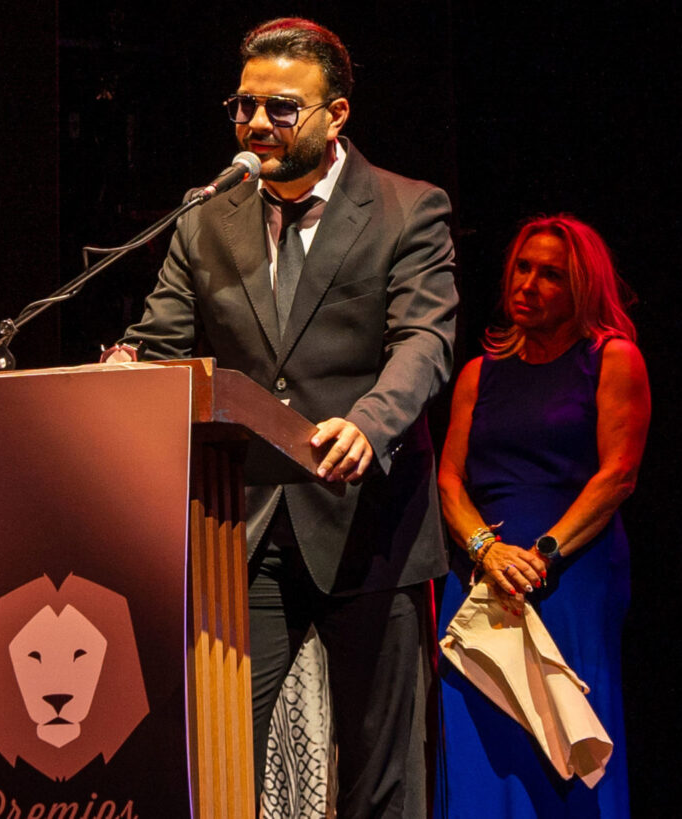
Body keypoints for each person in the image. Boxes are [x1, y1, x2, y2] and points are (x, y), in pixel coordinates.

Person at [105, 17, 458, 817]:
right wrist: (123, 375)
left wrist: (371, 422)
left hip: (373, 529)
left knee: (383, 775)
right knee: (217, 759)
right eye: (244, 105)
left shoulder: (408, 209)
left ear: (337, 115)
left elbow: (425, 341)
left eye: (282, 108)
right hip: (247, 527)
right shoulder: (204, 220)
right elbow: (159, 342)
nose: (257, 123)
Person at [433, 214, 650, 817]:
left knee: (567, 730)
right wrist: (485, 550)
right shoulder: (480, 373)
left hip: (569, 574)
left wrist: (544, 553)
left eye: (550, 275)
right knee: (480, 735)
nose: (527, 284)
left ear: (582, 287)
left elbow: (618, 475)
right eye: (522, 269)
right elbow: (449, 478)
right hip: (482, 571)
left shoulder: (612, 359)